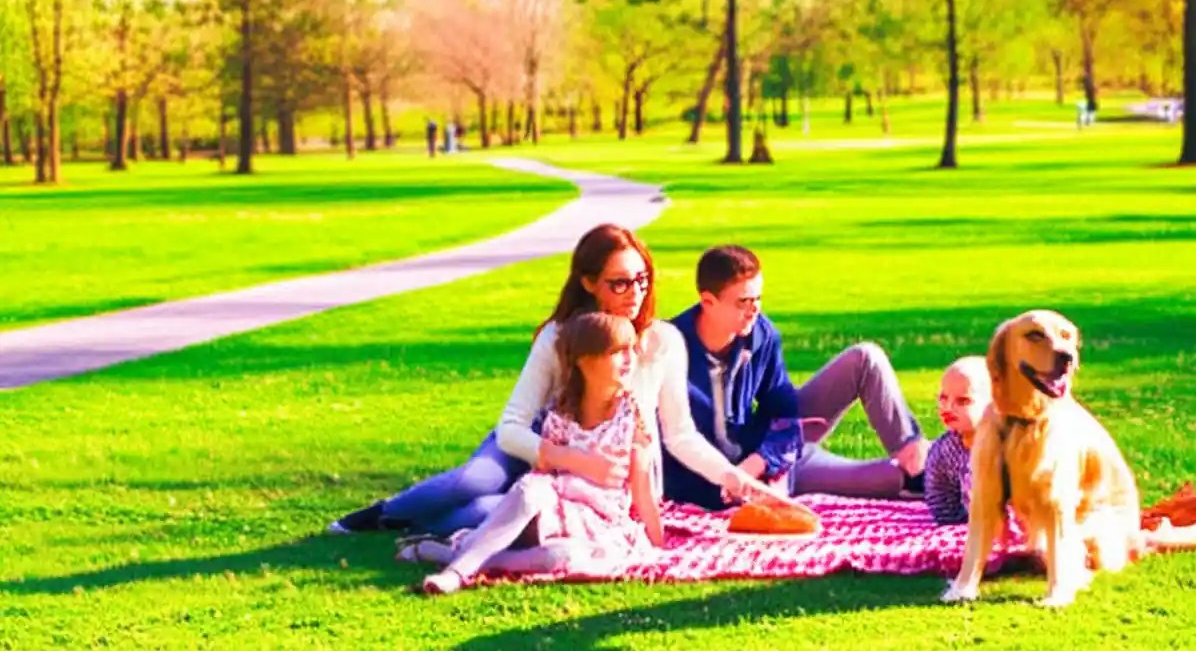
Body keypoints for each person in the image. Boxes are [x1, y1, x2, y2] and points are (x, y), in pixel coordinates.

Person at [328, 225, 772, 537]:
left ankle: (423, 526)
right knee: (474, 483)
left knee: (486, 511)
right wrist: (568, 458)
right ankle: (382, 515)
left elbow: (680, 435)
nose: (634, 293)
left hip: (601, 480)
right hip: (536, 444)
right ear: (589, 283)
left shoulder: (665, 342)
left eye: (641, 279)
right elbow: (512, 426)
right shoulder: (560, 337)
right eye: (619, 283)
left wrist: (734, 478)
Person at [410, 313, 663, 594]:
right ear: (585, 360)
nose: (630, 359)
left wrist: (659, 545)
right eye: (617, 351)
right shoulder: (563, 412)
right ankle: (455, 574)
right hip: (552, 507)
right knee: (531, 490)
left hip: (598, 522)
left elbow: (642, 491)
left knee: (564, 558)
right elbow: (546, 475)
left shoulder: (632, 417)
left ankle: (457, 556)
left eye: (632, 349)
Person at [663, 245, 931, 510]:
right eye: (743, 301)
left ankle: (917, 461)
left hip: (770, 455)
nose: (754, 310)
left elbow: (784, 410)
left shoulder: (761, 334)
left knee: (866, 357)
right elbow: (668, 442)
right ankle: (921, 478)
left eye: (758, 299)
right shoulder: (668, 346)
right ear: (708, 301)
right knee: (891, 482)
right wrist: (736, 479)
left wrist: (762, 460)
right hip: (720, 480)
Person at [924, 356, 991, 525]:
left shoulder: (1011, 444)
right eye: (943, 398)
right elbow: (940, 500)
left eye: (963, 401)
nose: (948, 407)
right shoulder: (944, 452)